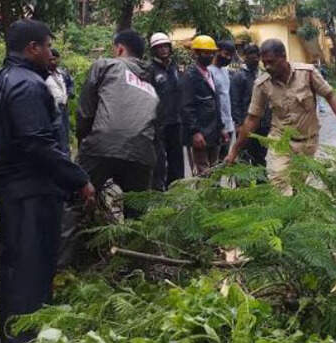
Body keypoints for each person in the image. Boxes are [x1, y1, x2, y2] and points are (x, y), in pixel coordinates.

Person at [0, 19, 95, 343]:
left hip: (7, 185)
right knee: (32, 265)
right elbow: (37, 143)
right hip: (29, 188)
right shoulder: (26, 85)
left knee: (14, 265)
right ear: (32, 48)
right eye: (46, 46)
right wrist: (77, 178)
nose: (50, 54)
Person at [224, 39, 336, 193]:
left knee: (299, 186)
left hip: (308, 142)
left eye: (271, 62)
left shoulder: (307, 74)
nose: (267, 67)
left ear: (283, 57)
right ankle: (282, 212)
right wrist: (234, 151)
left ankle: (295, 213)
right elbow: (252, 119)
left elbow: (330, 96)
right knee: (278, 180)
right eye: (264, 63)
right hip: (280, 141)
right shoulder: (262, 84)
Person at [75, 29, 160, 213]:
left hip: (102, 145)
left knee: (77, 202)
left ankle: (74, 241)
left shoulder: (105, 65)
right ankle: (133, 241)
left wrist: (83, 142)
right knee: (136, 215)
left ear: (120, 49)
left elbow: (85, 112)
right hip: (142, 152)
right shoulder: (151, 82)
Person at [181, 35, 224, 174]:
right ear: (197, 54)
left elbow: (215, 103)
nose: (210, 56)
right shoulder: (190, 76)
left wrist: (221, 128)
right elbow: (187, 106)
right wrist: (195, 132)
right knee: (203, 173)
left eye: (212, 52)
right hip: (201, 134)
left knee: (215, 171)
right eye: (206, 53)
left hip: (213, 133)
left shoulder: (209, 73)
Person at [148, 33, 183, 189]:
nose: (163, 50)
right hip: (159, 124)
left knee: (177, 161)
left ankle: (175, 192)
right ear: (153, 50)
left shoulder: (175, 68)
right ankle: (158, 193)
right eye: (159, 47)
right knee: (159, 163)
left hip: (176, 121)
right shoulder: (150, 70)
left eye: (165, 46)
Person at [230, 44, 271, 165]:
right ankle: (243, 184)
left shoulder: (264, 75)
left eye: (257, 56)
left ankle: (261, 183)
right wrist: (239, 123)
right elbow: (235, 101)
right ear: (245, 57)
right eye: (252, 56)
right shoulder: (239, 76)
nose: (255, 59)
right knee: (244, 158)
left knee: (260, 158)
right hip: (245, 124)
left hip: (262, 125)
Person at [45, 48, 73, 153]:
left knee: (65, 134)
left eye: (55, 59)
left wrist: (69, 94)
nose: (53, 62)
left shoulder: (62, 73)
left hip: (63, 107)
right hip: (52, 109)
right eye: (50, 59)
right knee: (57, 135)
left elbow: (70, 84)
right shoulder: (42, 74)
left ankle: (66, 157)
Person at [210, 40, 236, 156]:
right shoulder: (209, 72)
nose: (228, 57)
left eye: (231, 55)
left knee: (223, 163)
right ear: (217, 52)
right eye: (226, 54)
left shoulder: (226, 71)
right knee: (212, 164)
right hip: (216, 126)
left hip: (229, 124)